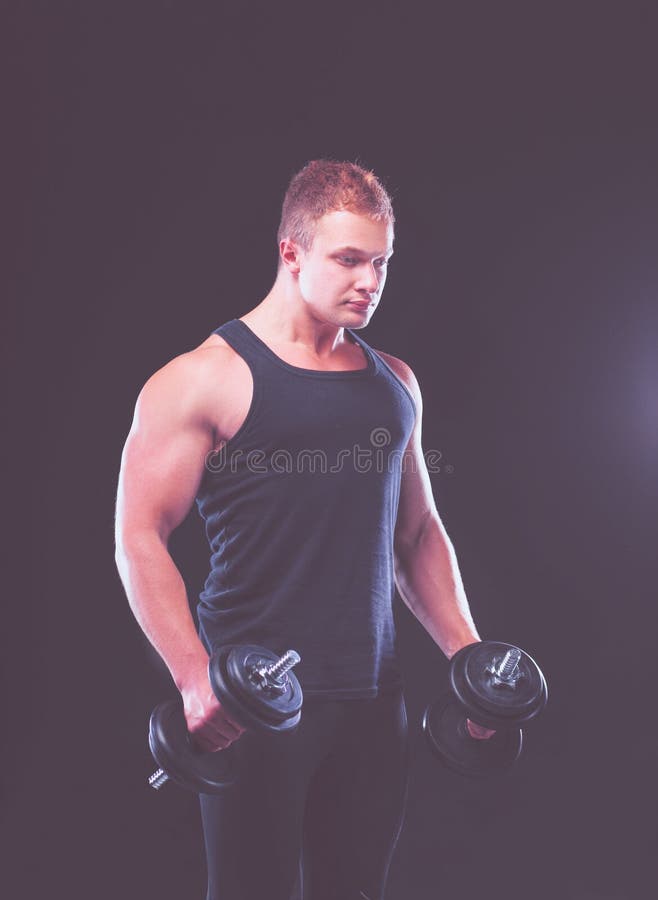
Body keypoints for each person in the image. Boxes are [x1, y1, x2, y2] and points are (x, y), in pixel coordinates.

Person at [114, 159, 492, 900]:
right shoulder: (203, 379)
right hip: (255, 709)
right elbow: (138, 536)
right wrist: (195, 679)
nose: (370, 281)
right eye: (348, 259)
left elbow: (415, 537)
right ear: (291, 252)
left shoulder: (395, 385)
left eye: (380, 262)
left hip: (374, 707)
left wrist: (469, 661)